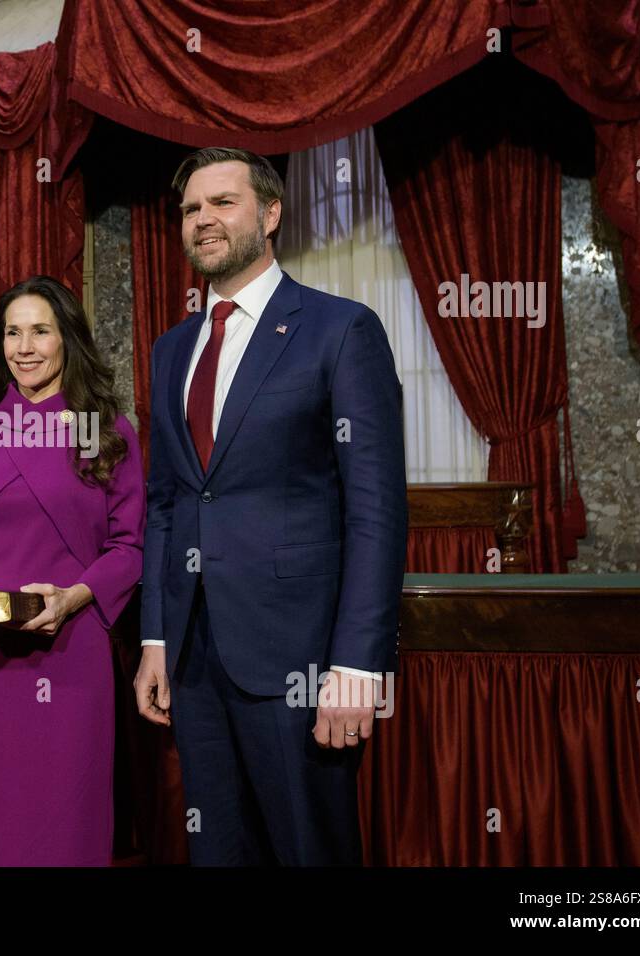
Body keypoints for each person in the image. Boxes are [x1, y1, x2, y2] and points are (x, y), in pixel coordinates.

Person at [134, 147, 407, 866]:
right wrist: (156, 640)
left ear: (271, 212)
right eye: (192, 209)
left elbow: (375, 510)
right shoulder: (170, 351)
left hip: (300, 665)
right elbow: (166, 504)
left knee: (309, 851)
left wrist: (357, 663)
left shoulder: (340, 330)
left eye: (222, 202)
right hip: (194, 664)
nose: (203, 220)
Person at [0, 275, 145, 866]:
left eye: (39, 331)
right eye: (11, 332)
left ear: (67, 341)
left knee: (69, 815)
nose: (23, 347)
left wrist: (75, 596)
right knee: (0, 811)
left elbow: (130, 548)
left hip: (73, 649)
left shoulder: (105, 434)